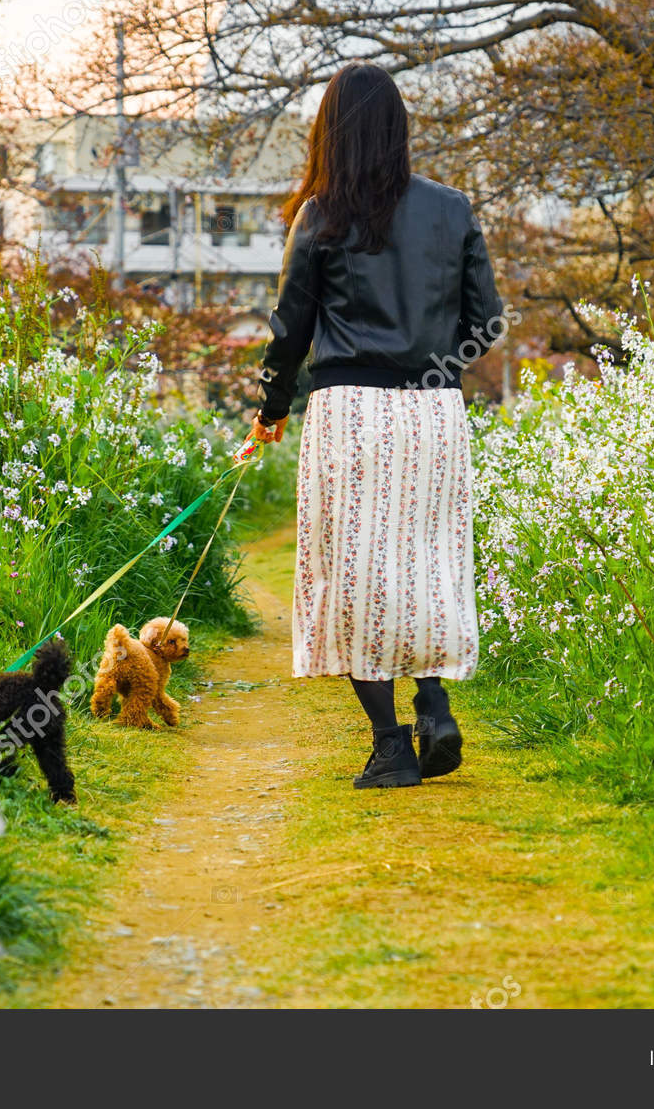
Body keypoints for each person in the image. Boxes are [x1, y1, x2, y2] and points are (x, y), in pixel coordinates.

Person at [248, 61, 505, 789]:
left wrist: (269, 410)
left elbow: (290, 329)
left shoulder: (322, 214)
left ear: (331, 130)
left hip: (350, 412)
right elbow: (487, 320)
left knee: (351, 575)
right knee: (426, 562)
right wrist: (434, 363)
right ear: (397, 129)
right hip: (432, 413)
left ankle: (393, 744)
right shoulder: (451, 209)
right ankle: (434, 706)